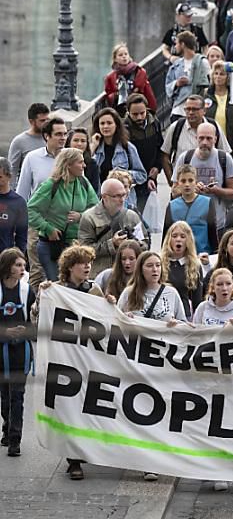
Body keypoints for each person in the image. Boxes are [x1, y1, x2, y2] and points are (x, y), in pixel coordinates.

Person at [36, 245, 102, 480]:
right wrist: (42, 297)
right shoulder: (56, 290)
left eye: (89, 262)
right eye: (82, 263)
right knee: (69, 408)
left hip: (89, 360)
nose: (87, 267)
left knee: (86, 408)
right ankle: (74, 460)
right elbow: (37, 315)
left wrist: (111, 305)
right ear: (69, 267)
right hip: (65, 358)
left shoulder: (94, 290)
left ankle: (83, 451)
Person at [27, 148, 98, 282]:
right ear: (68, 164)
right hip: (52, 244)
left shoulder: (83, 183)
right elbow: (30, 210)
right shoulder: (51, 185)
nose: (84, 166)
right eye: (80, 162)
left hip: (76, 245)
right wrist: (48, 228)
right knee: (57, 284)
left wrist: (81, 217)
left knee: (75, 286)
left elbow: (96, 209)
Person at [0, 248, 32, 457]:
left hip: (21, 350)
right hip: (1, 351)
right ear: (7, 267)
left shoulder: (27, 290)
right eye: (18, 265)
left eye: (24, 265)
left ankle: (15, 439)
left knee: (18, 395)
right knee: (4, 395)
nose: (23, 269)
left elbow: (34, 321)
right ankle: (6, 425)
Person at [77, 178, 146, 274]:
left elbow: (145, 245)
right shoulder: (89, 217)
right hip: (99, 273)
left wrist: (133, 243)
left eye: (124, 195)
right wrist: (112, 244)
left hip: (127, 275)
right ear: (104, 197)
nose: (122, 200)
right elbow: (84, 251)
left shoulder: (132, 216)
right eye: (117, 196)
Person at [117, 250, 188, 322]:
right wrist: (125, 318)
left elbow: (183, 323)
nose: (155, 269)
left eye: (158, 265)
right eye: (149, 266)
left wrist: (175, 323)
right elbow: (116, 319)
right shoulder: (129, 292)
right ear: (141, 269)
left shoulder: (171, 292)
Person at [103, 44, 157, 114]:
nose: (124, 56)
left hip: (140, 110)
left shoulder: (139, 71)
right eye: (120, 55)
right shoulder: (111, 77)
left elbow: (143, 91)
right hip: (120, 111)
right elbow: (109, 94)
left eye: (126, 54)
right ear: (115, 59)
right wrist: (117, 94)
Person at [7, 103, 50, 185]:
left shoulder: (51, 138)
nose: (46, 123)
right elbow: (12, 171)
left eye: (47, 120)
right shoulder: (19, 141)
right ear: (31, 121)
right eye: (42, 120)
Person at [0, 159, 28, 254]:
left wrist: (18, 256)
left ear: (9, 176)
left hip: (5, 257)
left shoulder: (18, 202)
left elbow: (22, 235)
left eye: (0, 177)